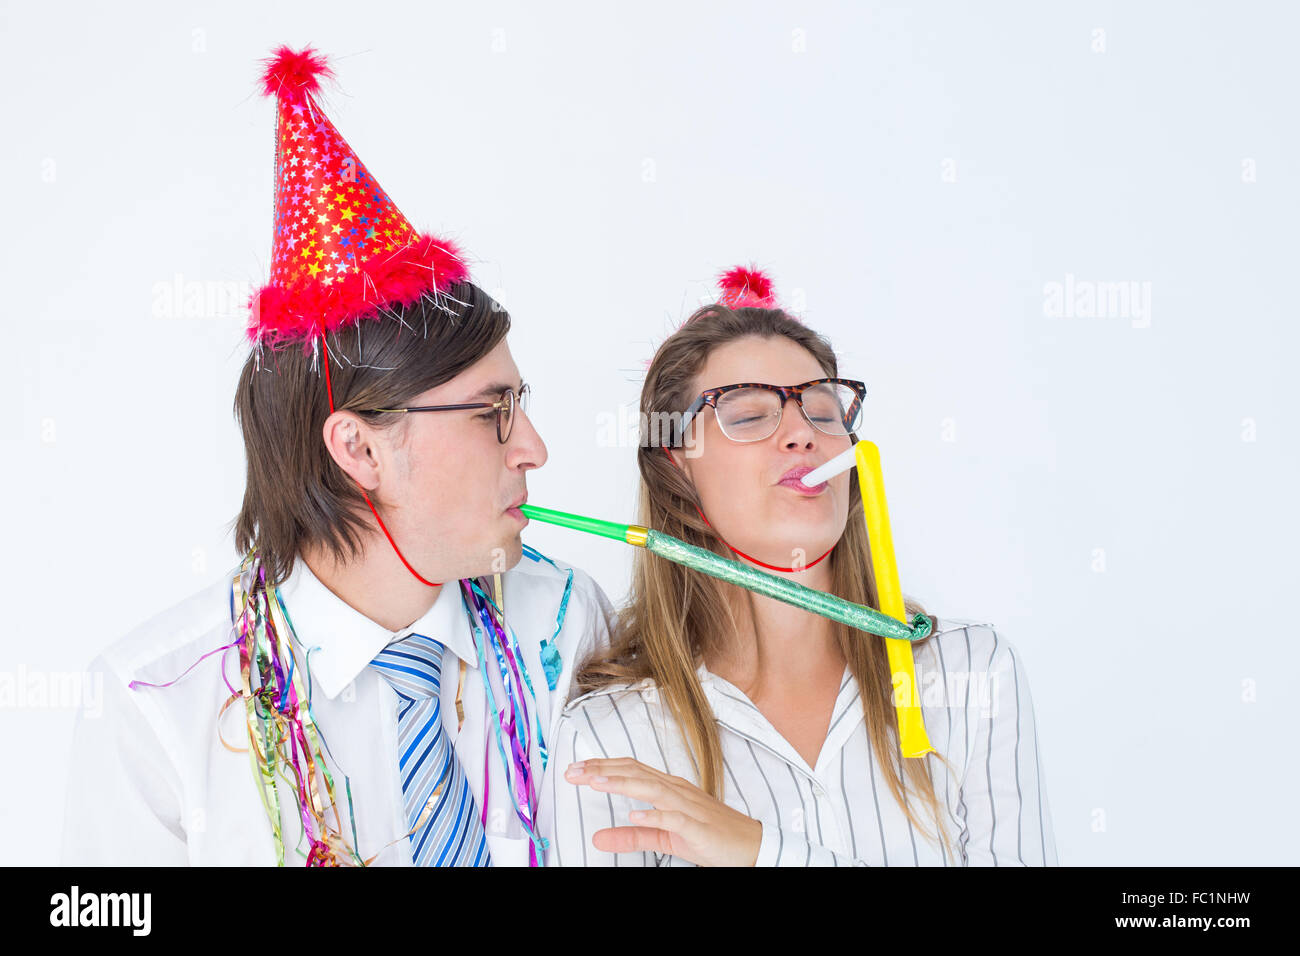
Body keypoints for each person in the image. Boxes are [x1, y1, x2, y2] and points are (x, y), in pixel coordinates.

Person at [59, 45, 614, 867]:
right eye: (493, 412)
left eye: (520, 403)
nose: (533, 448)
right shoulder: (153, 705)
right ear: (358, 447)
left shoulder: (566, 624)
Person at [538, 266, 1057, 866]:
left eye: (821, 409)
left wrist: (760, 853)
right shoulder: (607, 739)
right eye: (748, 414)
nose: (801, 434)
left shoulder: (973, 677)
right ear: (677, 470)